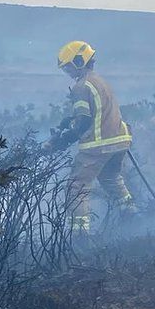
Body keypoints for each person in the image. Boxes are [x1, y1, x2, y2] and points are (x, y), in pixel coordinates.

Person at [44, 41, 136, 233]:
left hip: (98, 145)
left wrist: (63, 140)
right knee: (110, 177)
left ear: (80, 61)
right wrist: (69, 123)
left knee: (77, 186)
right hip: (120, 141)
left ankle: (79, 234)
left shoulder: (81, 87)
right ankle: (131, 213)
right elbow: (95, 113)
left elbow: (84, 121)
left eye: (68, 66)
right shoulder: (99, 81)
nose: (67, 71)